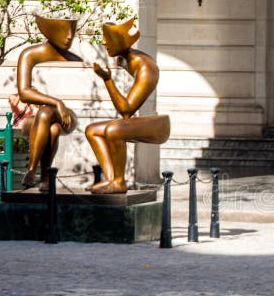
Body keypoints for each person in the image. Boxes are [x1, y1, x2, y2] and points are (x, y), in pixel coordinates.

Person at [86, 18, 170, 194]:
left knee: (114, 130)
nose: (103, 42)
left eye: (107, 38)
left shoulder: (146, 68)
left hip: (158, 126)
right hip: (146, 122)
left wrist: (108, 80)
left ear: (119, 41)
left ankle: (119, 182)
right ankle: (111, 179)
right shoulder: (124, 60)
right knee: (92, 130)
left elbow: (126, 111)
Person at [17, 16, 81, 191]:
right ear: (50, 31)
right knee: (51, 125)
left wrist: (60, 105)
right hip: (37, 118)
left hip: (66, 116)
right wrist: (55, 102)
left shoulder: (74, 59)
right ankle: (44, 176)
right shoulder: (29, 55)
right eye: (64, 31)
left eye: (72, 31)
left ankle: (31, 170)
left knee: (48, 116)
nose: (69, 36)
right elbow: (24, 93)